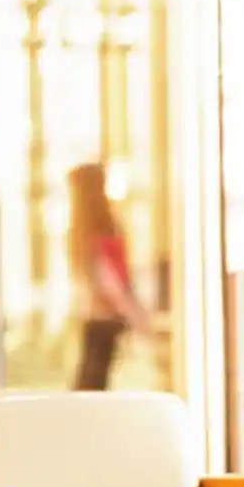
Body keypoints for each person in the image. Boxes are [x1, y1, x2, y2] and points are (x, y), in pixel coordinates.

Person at [68, 163, 149, 390]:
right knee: (94, 380)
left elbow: (105, 276)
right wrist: (131, 310)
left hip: (97, 315)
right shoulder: (102, 224)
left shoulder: (83, 226)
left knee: (90, 380)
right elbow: (110, 277)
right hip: (105, 315)